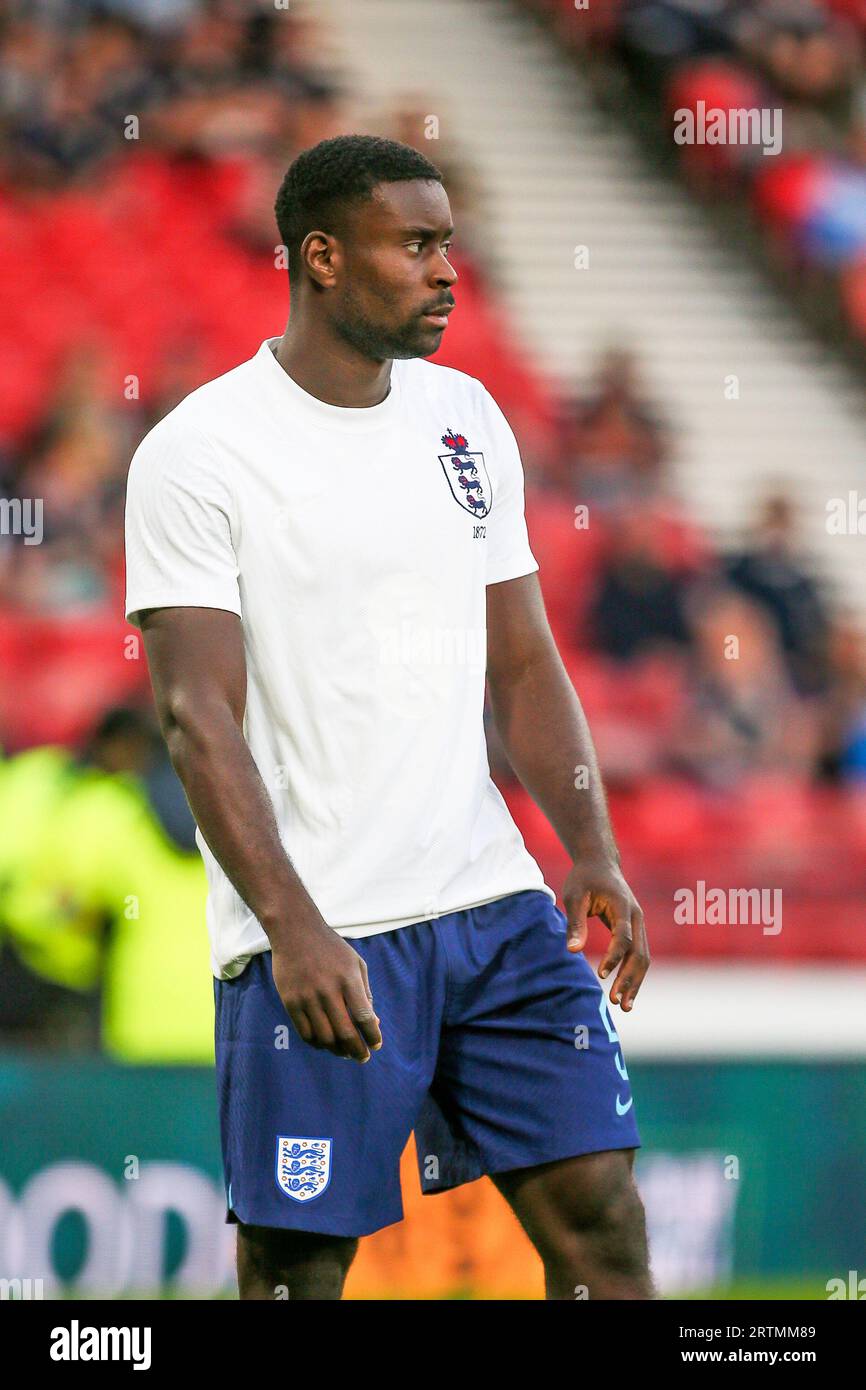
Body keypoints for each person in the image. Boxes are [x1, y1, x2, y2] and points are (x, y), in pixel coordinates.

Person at [123, 134, 653, 1301]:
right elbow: (194, 715)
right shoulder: (199, 454)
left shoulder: (463, 418)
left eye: (448, 245)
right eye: (414, 245)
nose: (444, 271)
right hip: (325, 927)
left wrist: (591, 848)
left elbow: (520, 662)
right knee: (297, 1270)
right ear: (320, 257)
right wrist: (293, 926)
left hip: (492, 906)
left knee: (601, 1219)